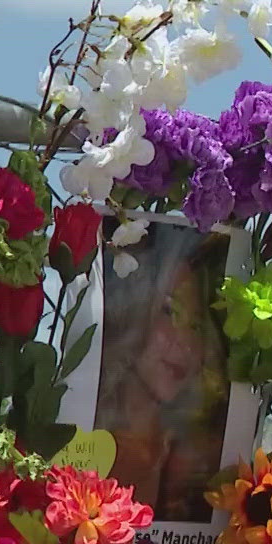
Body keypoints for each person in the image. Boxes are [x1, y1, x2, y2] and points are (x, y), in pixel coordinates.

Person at [94, 223, 234, 523]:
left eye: (196, 325)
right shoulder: (76, 436)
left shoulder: (197, 459)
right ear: (129, 308)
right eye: (170, 312)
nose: (186, 344)